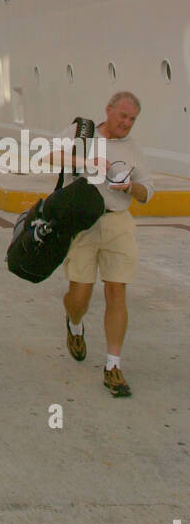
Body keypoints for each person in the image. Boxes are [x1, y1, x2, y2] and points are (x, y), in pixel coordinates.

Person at [58, 92, 154, 397]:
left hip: (117, 223)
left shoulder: (133, 148)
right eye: (123, 116)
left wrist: (131, 186)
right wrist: (88, 161)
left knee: (117, 292)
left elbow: (148, 190)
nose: (127, 123)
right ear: (108, 110)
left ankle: (113, 366)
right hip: (82, 223)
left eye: (132, 119)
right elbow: (46, 155)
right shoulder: (83, 132)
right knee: (79, 297)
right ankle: (74, 324)